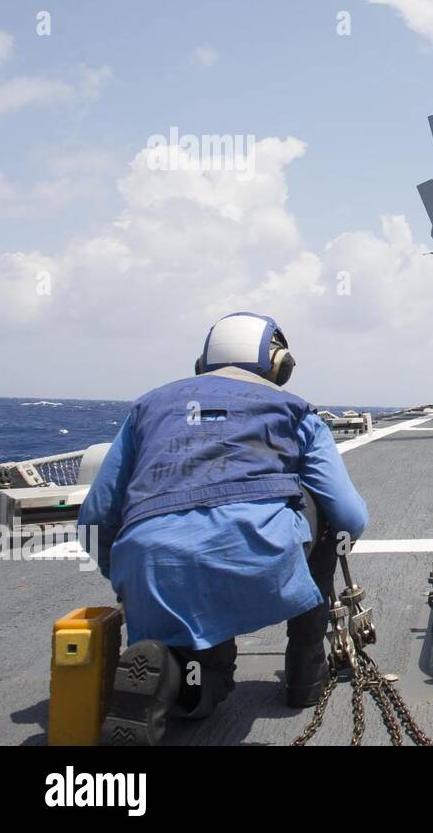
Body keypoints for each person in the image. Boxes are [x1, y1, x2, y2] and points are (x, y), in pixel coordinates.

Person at [78, 312, 369, 745]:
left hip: (152, 562)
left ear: (202, 363)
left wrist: (126, 583)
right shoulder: (297, 411)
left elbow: (96, 517)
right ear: (280, 365)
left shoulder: (148, 406)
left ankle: (170, 674)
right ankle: (304, 670)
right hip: (259, 555)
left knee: (202, 670)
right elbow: (350, 517)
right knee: (326, 517)